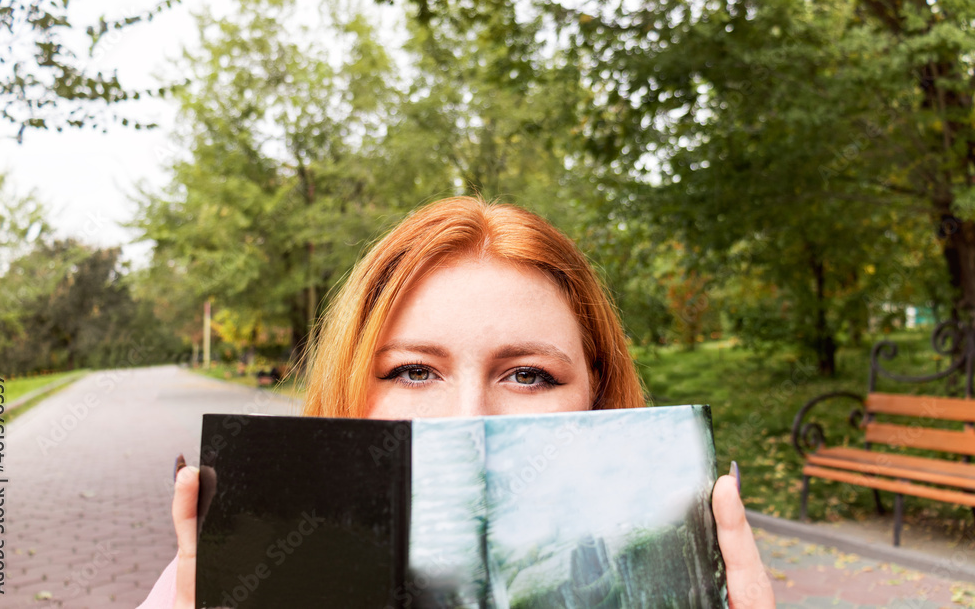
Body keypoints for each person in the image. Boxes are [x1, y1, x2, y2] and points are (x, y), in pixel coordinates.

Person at [138, 196, 775, 608]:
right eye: (414, 371)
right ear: (350, 389)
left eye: (528, 375)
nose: (470, 417)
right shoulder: (203, 588)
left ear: (598, 394)